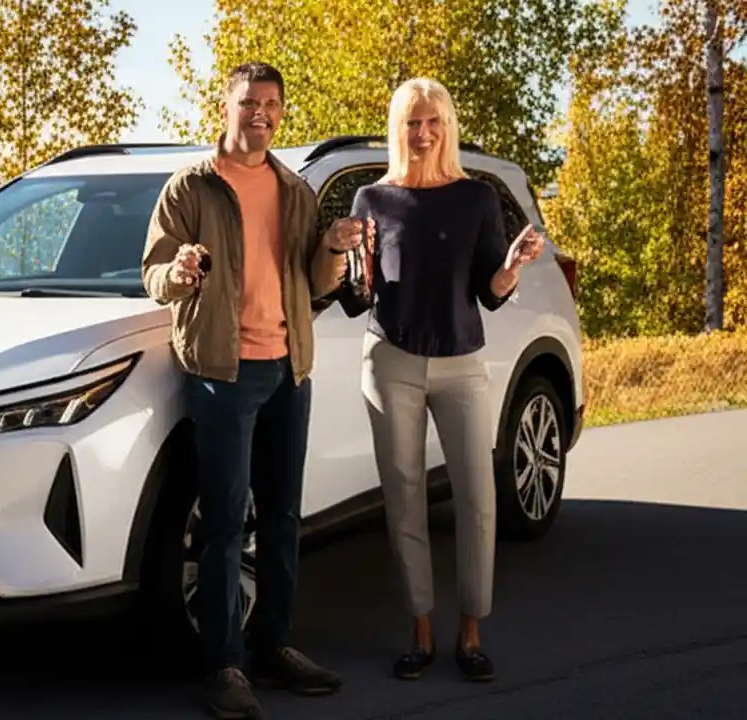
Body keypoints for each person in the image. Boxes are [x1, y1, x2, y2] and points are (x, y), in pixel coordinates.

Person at [141, 61, 365, 719]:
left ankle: (275, 647)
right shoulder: (191, 187)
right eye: (247, 102)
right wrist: (180, 271)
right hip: (223, 376)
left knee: (283, 521)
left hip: (288, 372)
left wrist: (331, 245)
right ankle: (225, 665)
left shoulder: (294, 190)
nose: (258, 113)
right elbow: (154, 273)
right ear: (226, 107)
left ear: (281, 112)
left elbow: (318, 284)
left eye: (269, 103)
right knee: (222, 528)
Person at [347, 77, 546, 683]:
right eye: (412, 123)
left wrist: (510, 269)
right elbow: (359, 300)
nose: (424, 133)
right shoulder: (371, 200)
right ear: (398, 129)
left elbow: (488, 292)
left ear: (447, 125)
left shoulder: (476, 198)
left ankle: (471, 631)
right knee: (404, 500)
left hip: (462, 364)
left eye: (433, 121)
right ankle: (421, 632)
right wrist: (351, 265)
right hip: (391, 364)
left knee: (478, 499)